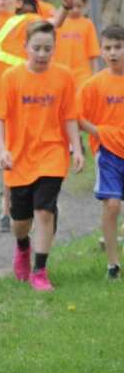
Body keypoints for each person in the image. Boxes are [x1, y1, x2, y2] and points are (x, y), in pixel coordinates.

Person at [0, 21, 84, 291]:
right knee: (20, 221)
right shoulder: (11, 77)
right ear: (25, 48)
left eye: (48, 49)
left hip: (52, 153)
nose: (42, 54)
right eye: (37, 48)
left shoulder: (64, 76)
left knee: (44, 211)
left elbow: (69, 116)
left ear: (55, 48)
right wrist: (2, 149)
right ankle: (22, 248)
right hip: (19, 157)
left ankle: (40, 271)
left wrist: (76, 148)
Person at [76, 24, 124, 279]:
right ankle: (113, 265)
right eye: (108, 48)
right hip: (108, 153)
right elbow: (77, 116)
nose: (113, 52)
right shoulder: (94, 85)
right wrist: (99, 132)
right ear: (101, 51)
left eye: (118, 47)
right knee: (112, 204)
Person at [54, 0, 101, 87]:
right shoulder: (58, 23)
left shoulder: (88, 24)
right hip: (60, 72)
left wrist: (95, 76)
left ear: (84, 5)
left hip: (82, 75)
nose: (75, 9)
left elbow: (93, 53)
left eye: (78, 6)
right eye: (72, 6)